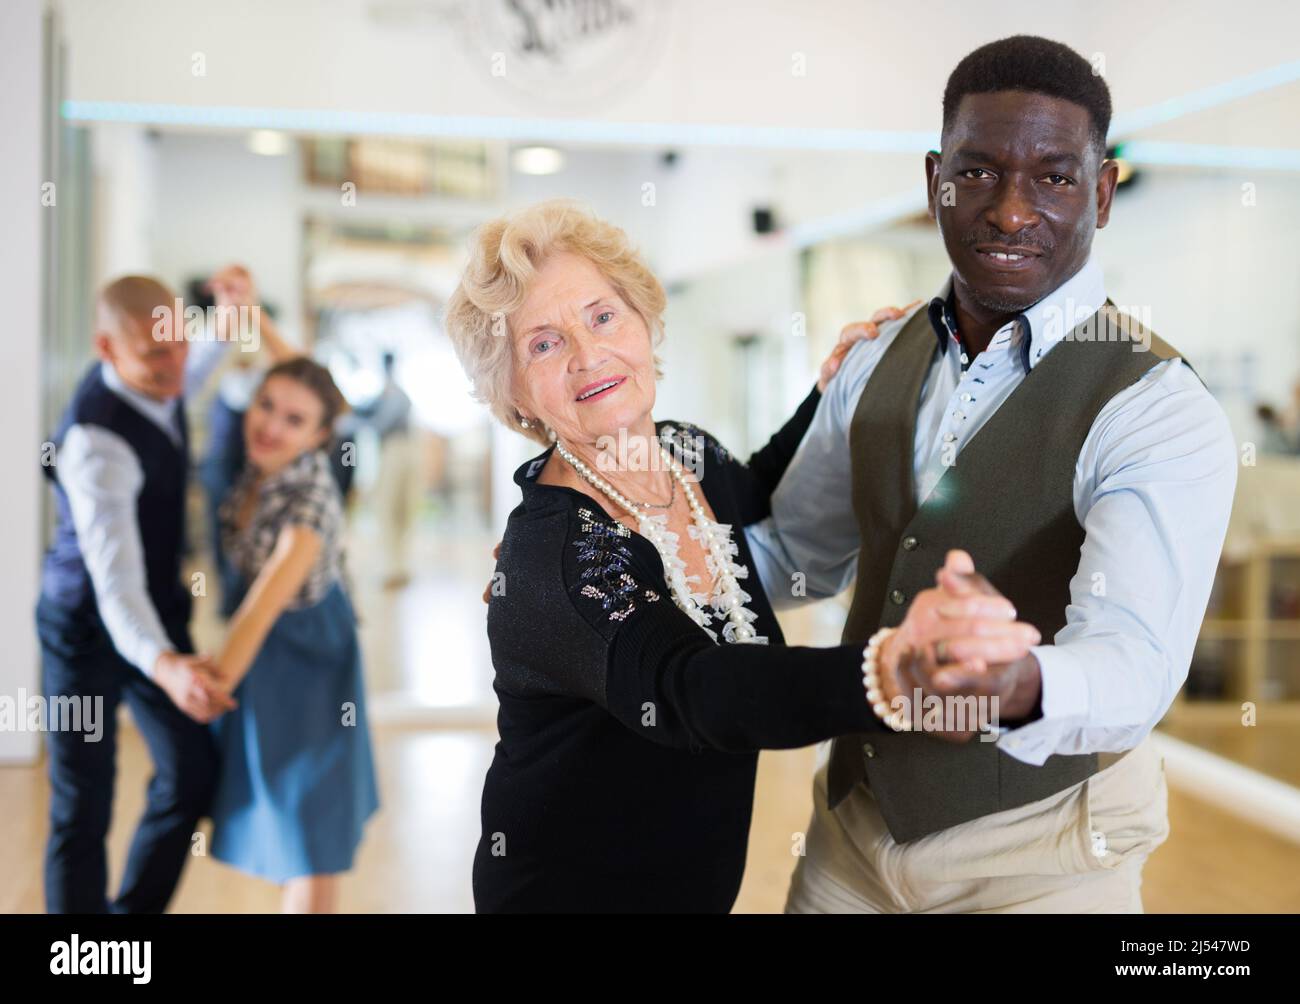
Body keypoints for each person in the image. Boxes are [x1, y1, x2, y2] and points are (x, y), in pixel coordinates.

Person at [743, 35, 1239, 913]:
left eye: (1053, 176)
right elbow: (797, 557)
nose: (1011, 211)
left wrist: (1018, 685)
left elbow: (1132, 663)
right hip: (853, 834)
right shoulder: (872, 361)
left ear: (1103, 191)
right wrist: (618, 562)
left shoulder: (1156, 407)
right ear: (934, 178)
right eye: (976, 173)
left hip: (1046, 850)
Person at [446, 199, 1038, 912]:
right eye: (543, 343)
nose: (587, 353)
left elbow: (755, 488)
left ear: (642, 319)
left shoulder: (684, 451)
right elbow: (692, 688)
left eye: (602, 316)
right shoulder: (559, 557)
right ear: (511, 390)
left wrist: (829, 394)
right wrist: (886, 672)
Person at [37, 275, 235, 913]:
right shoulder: (96, 445)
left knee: (193, 774)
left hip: (156, 612)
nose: (175, 364)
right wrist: (167, 666)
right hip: (83, 626)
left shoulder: (168, 367)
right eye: (156, 355)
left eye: (179, 343)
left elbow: (198, 364)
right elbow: (115, 587)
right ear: (106, 347)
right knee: (82, 804)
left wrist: (232, 314)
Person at [207, 357, 380, 913]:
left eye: (294, 420)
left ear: (320, 436)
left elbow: (259, 610)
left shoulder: (306, 502)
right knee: (297, 830)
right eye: (266, 406)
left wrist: (204, 684)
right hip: (274, 656)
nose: (271, 426)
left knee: (307, 828)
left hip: (308, 660)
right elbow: (295, 376)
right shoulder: (266, 463)